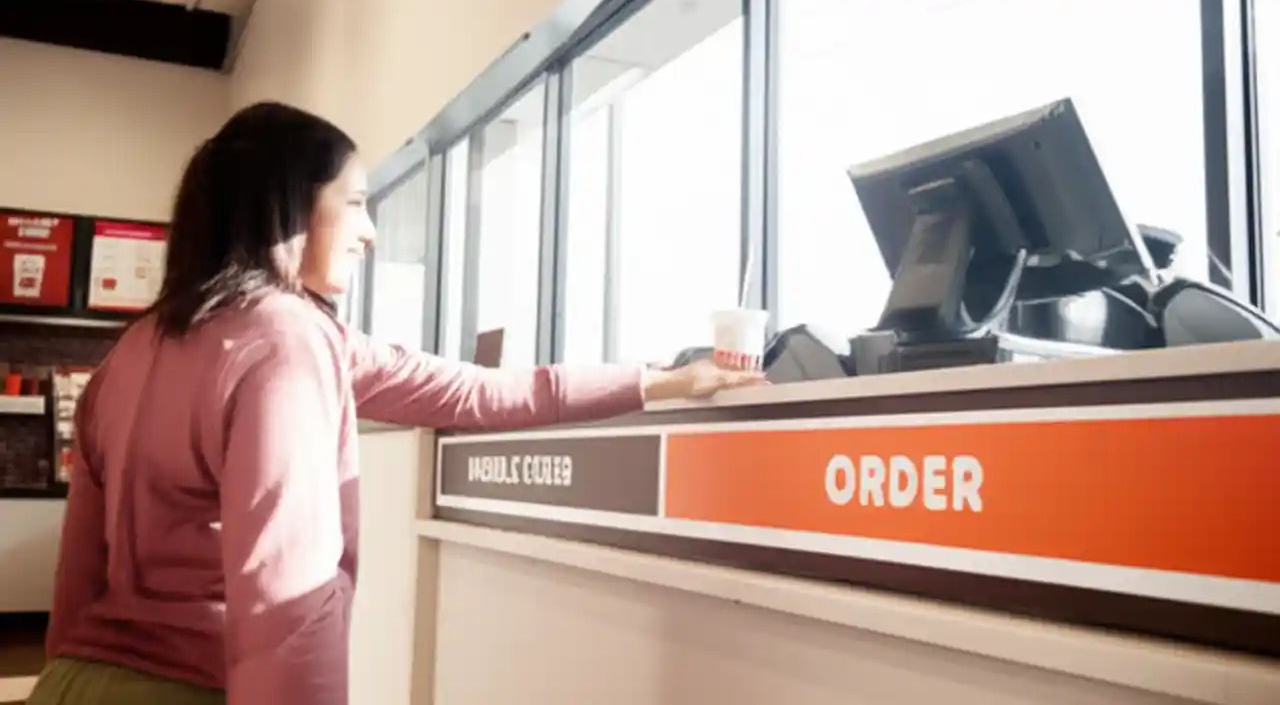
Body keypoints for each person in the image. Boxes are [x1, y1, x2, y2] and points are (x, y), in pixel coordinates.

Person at [28, 102, 763, 705]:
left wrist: (657, 380)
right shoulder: (285, 341)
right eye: (354, 203)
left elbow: (77, 573)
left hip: (70, 681)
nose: (370, 232)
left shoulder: (132, 350)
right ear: (291, 207)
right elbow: (290, 600)